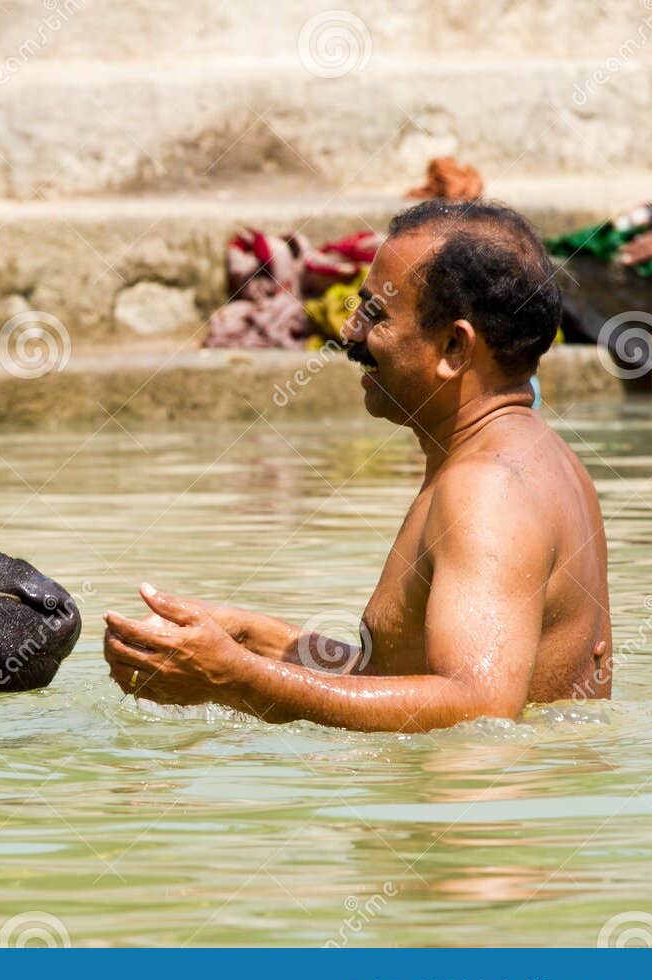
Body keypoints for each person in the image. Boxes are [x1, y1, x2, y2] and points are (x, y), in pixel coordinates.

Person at [102, 200, 612, 732]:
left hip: (472, 813)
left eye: (375, 313)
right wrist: (257, 642)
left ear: (454, 346)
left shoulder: (488, 489)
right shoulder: (540, 459)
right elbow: (410, 676)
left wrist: (235, 680)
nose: (348, 330)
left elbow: (480, 709)